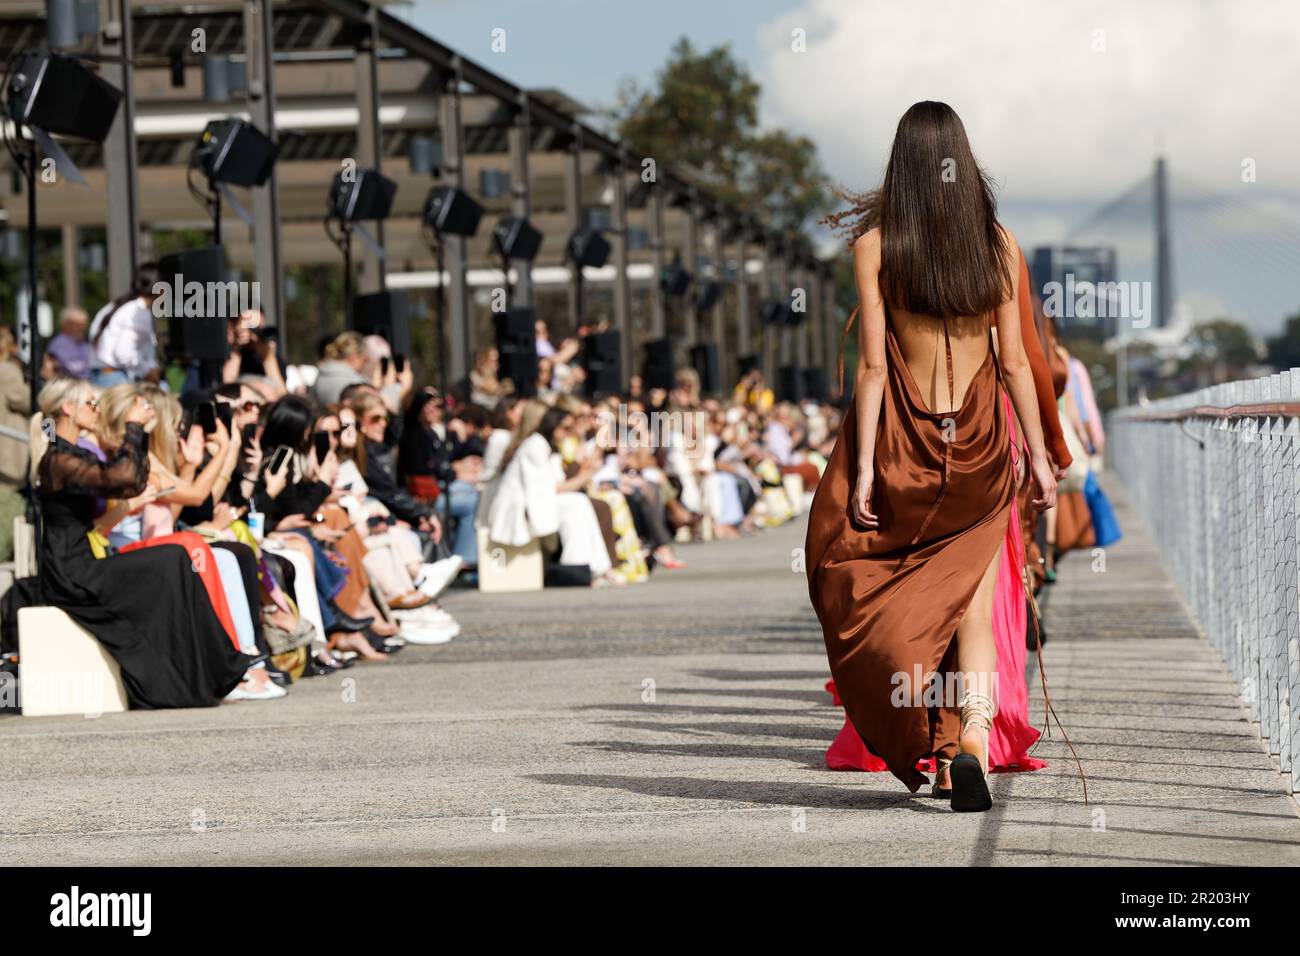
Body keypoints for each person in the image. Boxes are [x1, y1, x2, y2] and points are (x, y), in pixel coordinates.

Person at [805, 101, 1057, 813]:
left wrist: (859, 471)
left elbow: (874, 371)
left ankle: (932, 741)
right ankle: (972, 739)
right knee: (973, 600)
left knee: (869, 585)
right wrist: (1036, 456)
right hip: (980, 449)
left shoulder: (877, 247)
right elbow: (1013, 362)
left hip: (907, 451)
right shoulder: (999, 245)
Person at [29, 376, 256, 707]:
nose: (97, 411)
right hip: (70, 573)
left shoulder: (73, 454)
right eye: (91, 404)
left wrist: (142, 432)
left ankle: (212, 669)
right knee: (174, 557)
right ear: (68, 408)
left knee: (177, 556)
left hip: (87, 562)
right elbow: (122, 479)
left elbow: (129, 483)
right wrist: (133, 427)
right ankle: (206, 673)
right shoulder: (57, 460)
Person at [88, 263, 162, 386]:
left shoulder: (116, 305)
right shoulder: (137, 311)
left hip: (101, 376)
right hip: (115, 379)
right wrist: (147, 371)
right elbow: (124, 353)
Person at [46, 306, 96, 380]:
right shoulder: (56, 345)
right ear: (64, 324)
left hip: (88, 385)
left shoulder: (87, 344)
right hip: (67, 387)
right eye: (76, 324)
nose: (81, 327)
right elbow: (48, 372)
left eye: (83, 324)